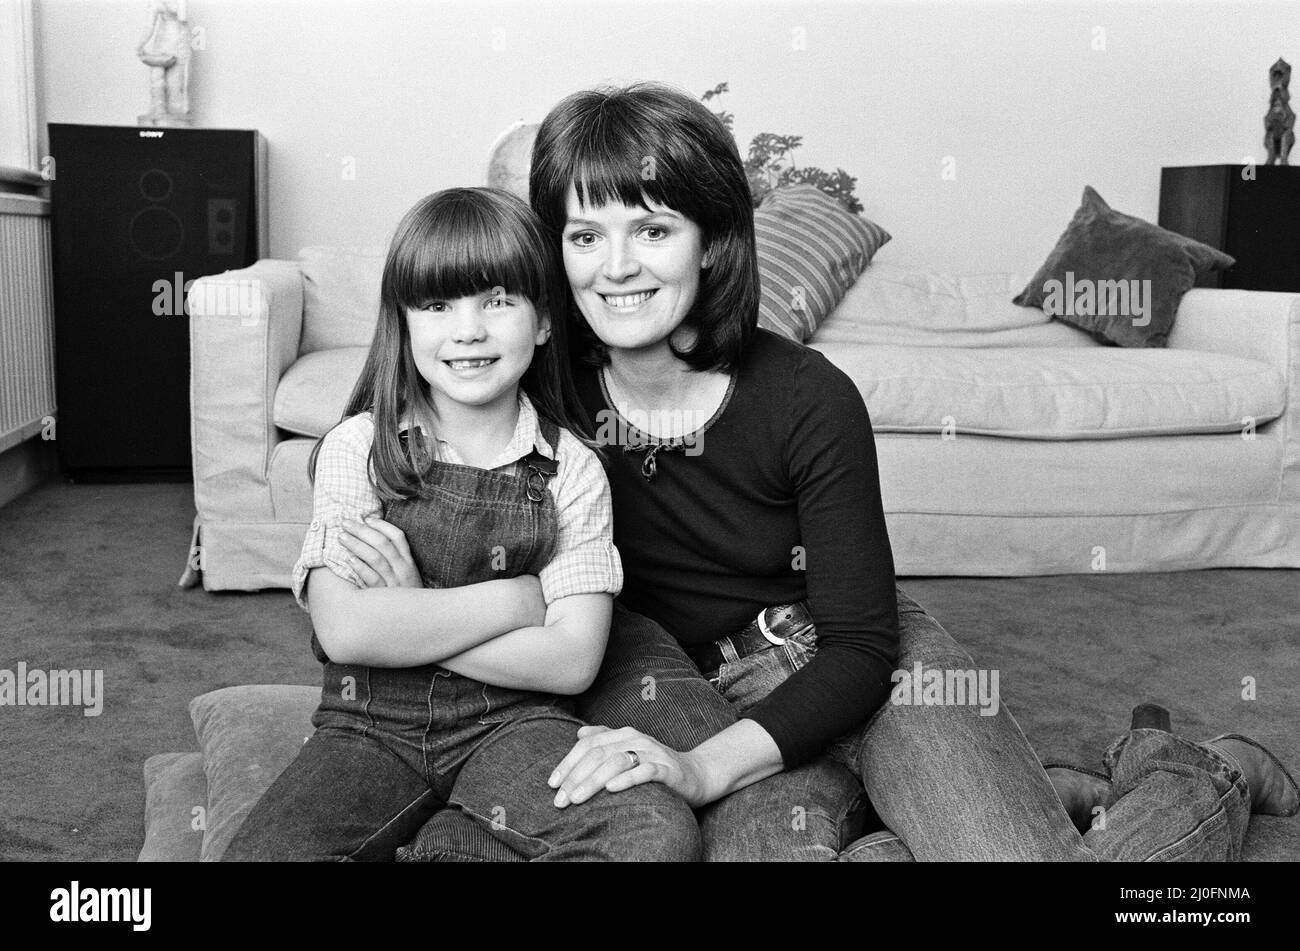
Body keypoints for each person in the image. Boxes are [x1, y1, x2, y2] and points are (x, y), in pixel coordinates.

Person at [348, 85, 1299, 862]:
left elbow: (858, 647)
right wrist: (397, 587)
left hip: (860, 664)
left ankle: (1196, 773)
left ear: (712, 239)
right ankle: (1009, 799)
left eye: (653, 231)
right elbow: (377, 422)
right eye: (585, 236)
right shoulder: (537, 379)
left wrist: (703, 770)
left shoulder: (808, 395)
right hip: (668, 684)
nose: (616, 267)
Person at [222, 187, 700, 861]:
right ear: (404, 322)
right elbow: (345, 628)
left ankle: (451, 841)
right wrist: (516, 599)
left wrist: (409, 610)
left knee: (657, 833)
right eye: (439, 305)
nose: (469, 330)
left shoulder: (572, 469)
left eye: (498, 301)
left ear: (541, 322)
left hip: (513, 720)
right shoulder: (360, 446)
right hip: (369, 722)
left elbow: (570, 661)